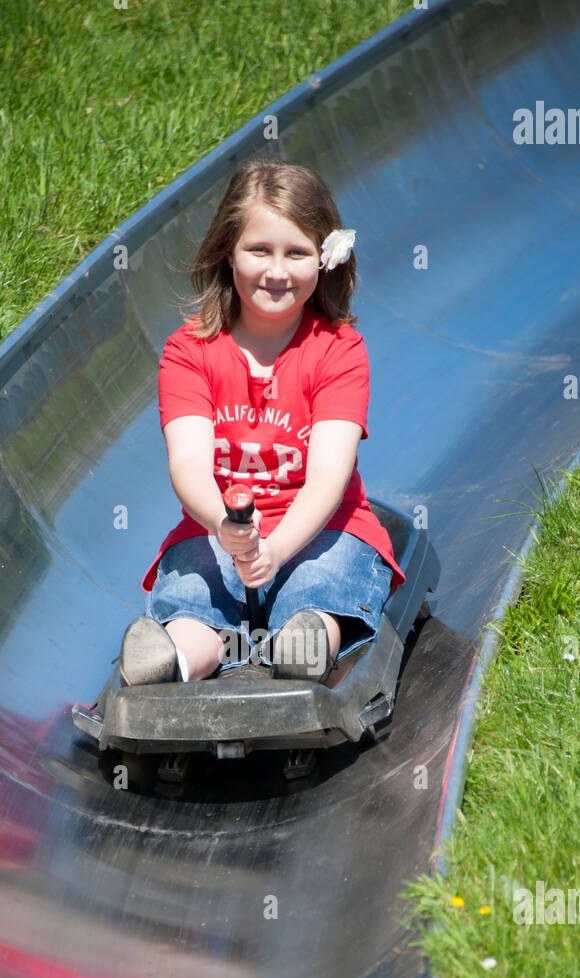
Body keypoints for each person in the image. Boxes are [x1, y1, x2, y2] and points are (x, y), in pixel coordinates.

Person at [121, 157, 406, 687]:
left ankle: (306, 641)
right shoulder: (191, 351)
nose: (277, 271)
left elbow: (328, 476)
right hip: (218, 525)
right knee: (195, 590)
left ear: (323, 260)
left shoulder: (338, 351)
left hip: (321, 527)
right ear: (227, 253)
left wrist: (275, 548)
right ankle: (175, 658)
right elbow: (187, 463)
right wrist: (228, 530)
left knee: (318, 581)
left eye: (296, 253)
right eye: (259, 250)